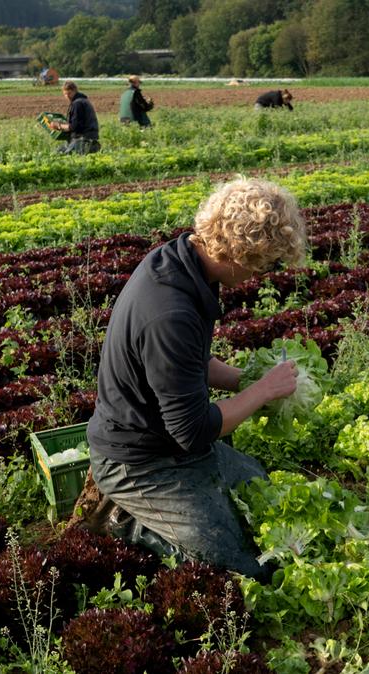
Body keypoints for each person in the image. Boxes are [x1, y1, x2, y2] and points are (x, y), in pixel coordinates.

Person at [86, 178, 308, 580]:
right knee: (238, 569)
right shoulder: (171, 311)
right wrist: (262, 390)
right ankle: (126, 522)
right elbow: (193, 430)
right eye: (267, 263)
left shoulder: (182, 262)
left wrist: (248, 381)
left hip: (168, 440)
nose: (264, 274)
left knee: (257, 484)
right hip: (139, 461)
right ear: (243, 253)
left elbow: (190, 363)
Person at [48, 81, 100, 155]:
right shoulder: (83, 100)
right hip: (91, 137)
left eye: (69, 93)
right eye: (65, 94)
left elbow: (74, 127)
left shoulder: (77, 104)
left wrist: (58, 125)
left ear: (75, 91)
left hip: (84, 139)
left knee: (61, 155)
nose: (67, 96)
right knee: (60, 151)